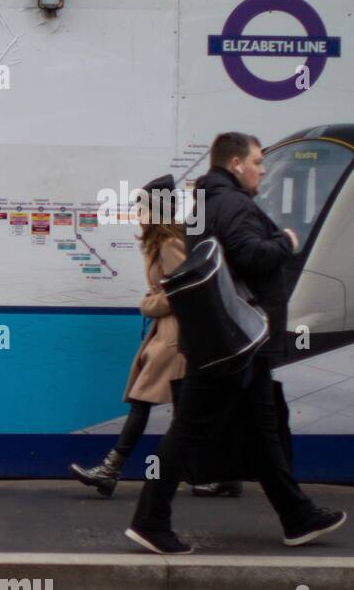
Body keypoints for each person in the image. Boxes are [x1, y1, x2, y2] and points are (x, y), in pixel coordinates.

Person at [126, 132, 347, 554]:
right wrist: (286, 241)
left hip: (236, 340)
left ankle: (296, 516)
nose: (263, 170)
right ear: (235, 164)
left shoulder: (206, 204)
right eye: (258, 162)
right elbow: (250, 257)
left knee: (264, 433)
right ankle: (150, 519)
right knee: (187, 431)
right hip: (232, 343)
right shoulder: (231, 204)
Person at [71, 174, 211, 497]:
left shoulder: (170, 243)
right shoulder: (157, 242)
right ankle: (208, 474)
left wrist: (149, 304)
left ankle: (110, 470)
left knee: (142, 401)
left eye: (142, 206)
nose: (137, 212)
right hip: (167, 337)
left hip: (174, 340)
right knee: (180, 411)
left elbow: (185, 291)